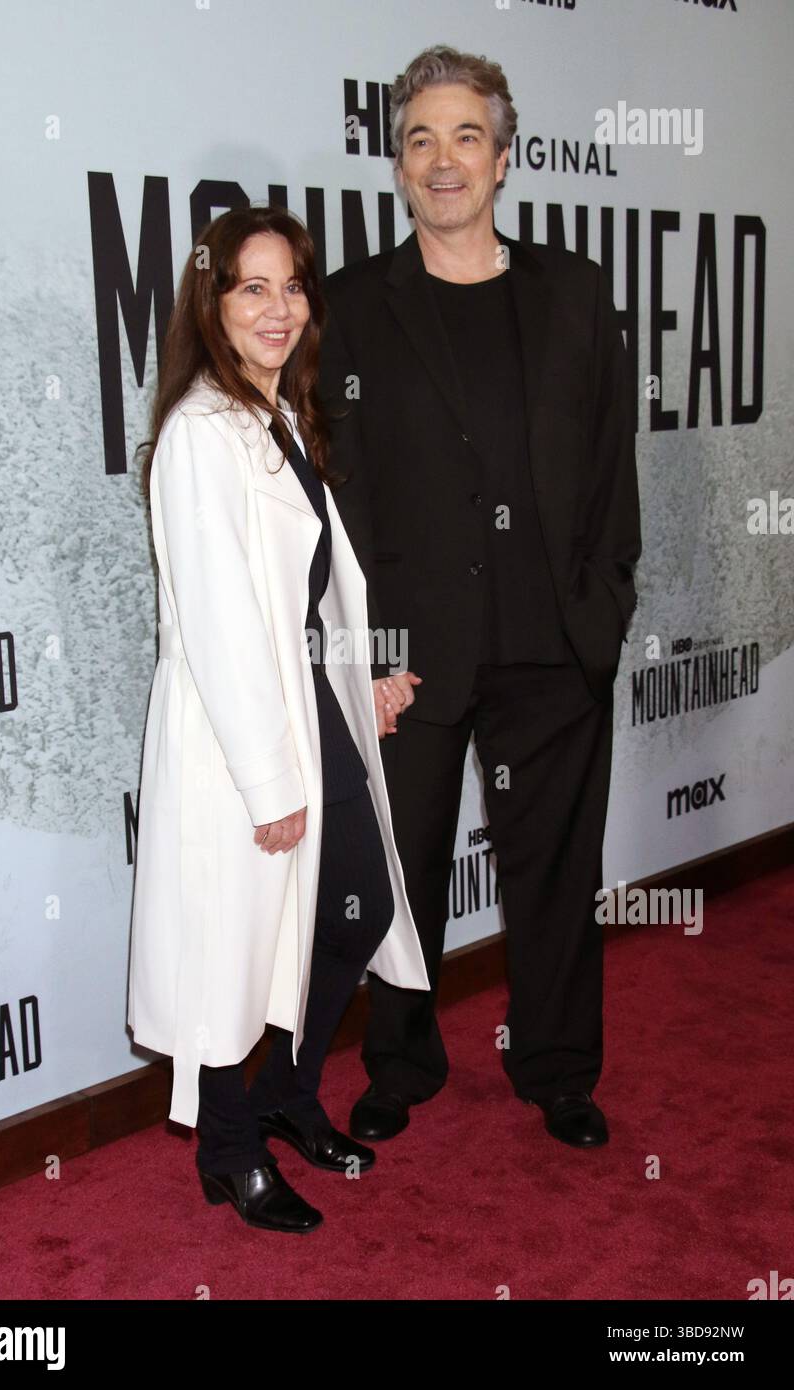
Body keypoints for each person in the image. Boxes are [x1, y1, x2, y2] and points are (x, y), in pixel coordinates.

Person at [318, 46, 641, 1149]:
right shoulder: (354, 307)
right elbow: (340, 495)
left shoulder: (572, 291)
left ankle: (557, 1070)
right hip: (413, 653)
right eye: (419, 139)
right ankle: (400, 1065)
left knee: (554, 873)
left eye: (465, 137)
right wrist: (365, 651)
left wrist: (601, 611)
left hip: (553, 643)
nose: (442, 160)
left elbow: (608, 464)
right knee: (402, 876)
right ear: (398, 169)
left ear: (503, 158)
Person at [128, 205, 429, 1234]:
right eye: (252, 286)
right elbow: (216, 624)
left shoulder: (282, 419)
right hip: (237, 731)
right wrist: (267, 782)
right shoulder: (198, 434)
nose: (279, 307)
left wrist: (362, 679)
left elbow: (305, 601)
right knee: (233, 942)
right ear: (211, 305)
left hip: (307, 704)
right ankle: (228, 1149)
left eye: (292, 285)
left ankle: (288, 1097)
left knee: (353, 904)